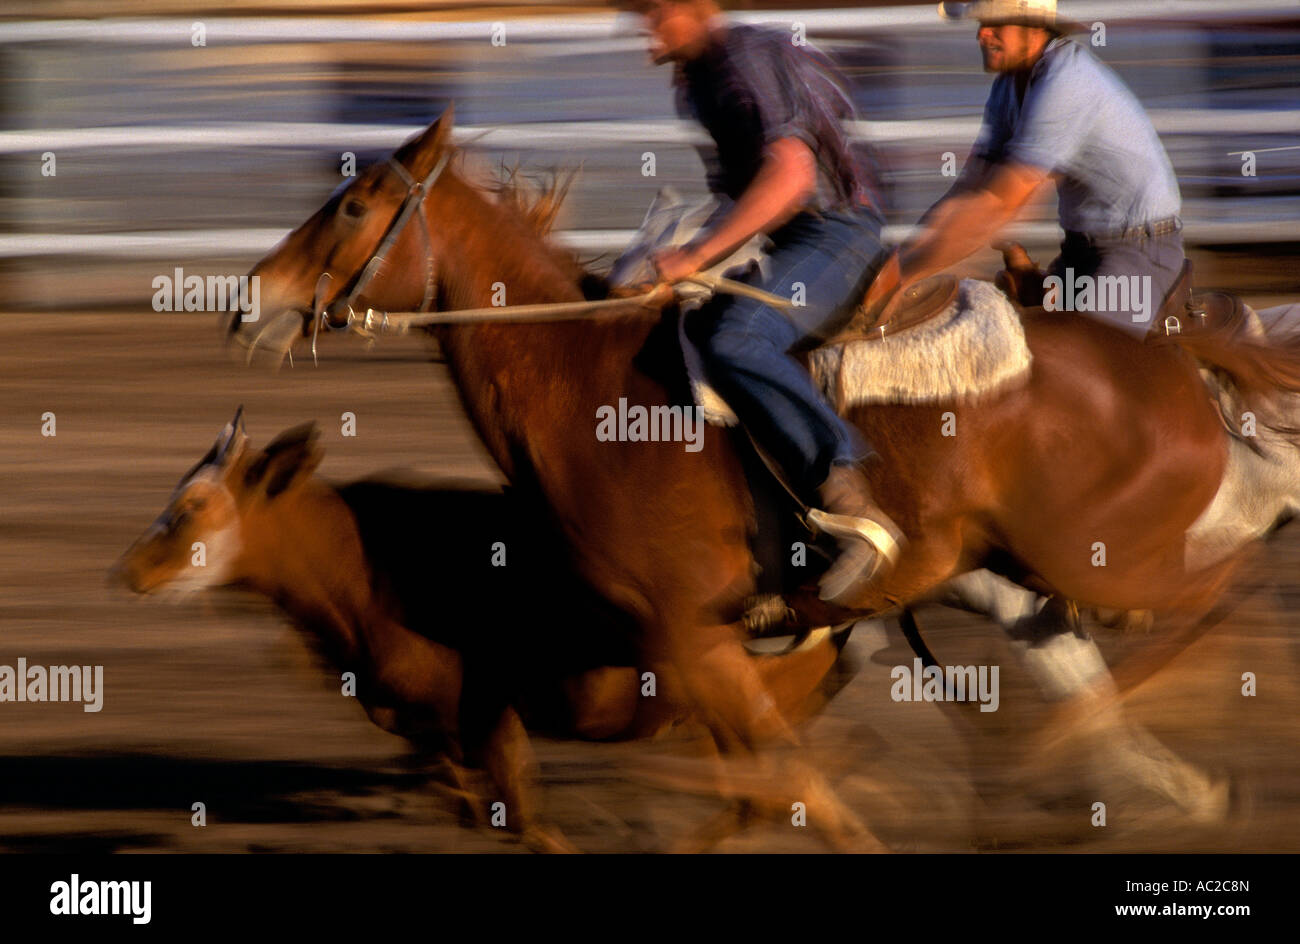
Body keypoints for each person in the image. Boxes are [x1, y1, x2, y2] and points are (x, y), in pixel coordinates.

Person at [635, 0, 903, 606]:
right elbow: (748, 193)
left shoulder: (744, 61)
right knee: (685, 327)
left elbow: (790, 174)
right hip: (792, 235)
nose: (644, 24)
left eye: (655, 9)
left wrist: (697, 256)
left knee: (737, 338)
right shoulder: (697, 82)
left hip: (838, 232)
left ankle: (851, 501)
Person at [864, 0, 1185, 336]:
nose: (982, 36)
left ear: (1034, 30)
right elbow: (970, 188)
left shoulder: (1067, 83)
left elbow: (1002, 202)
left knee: (1072, 360)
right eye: (981, 26)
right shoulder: (1008, 85)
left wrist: (907, 275)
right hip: (1080, 250)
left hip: (1141, 252)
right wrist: (898, 262)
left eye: (996, 26)